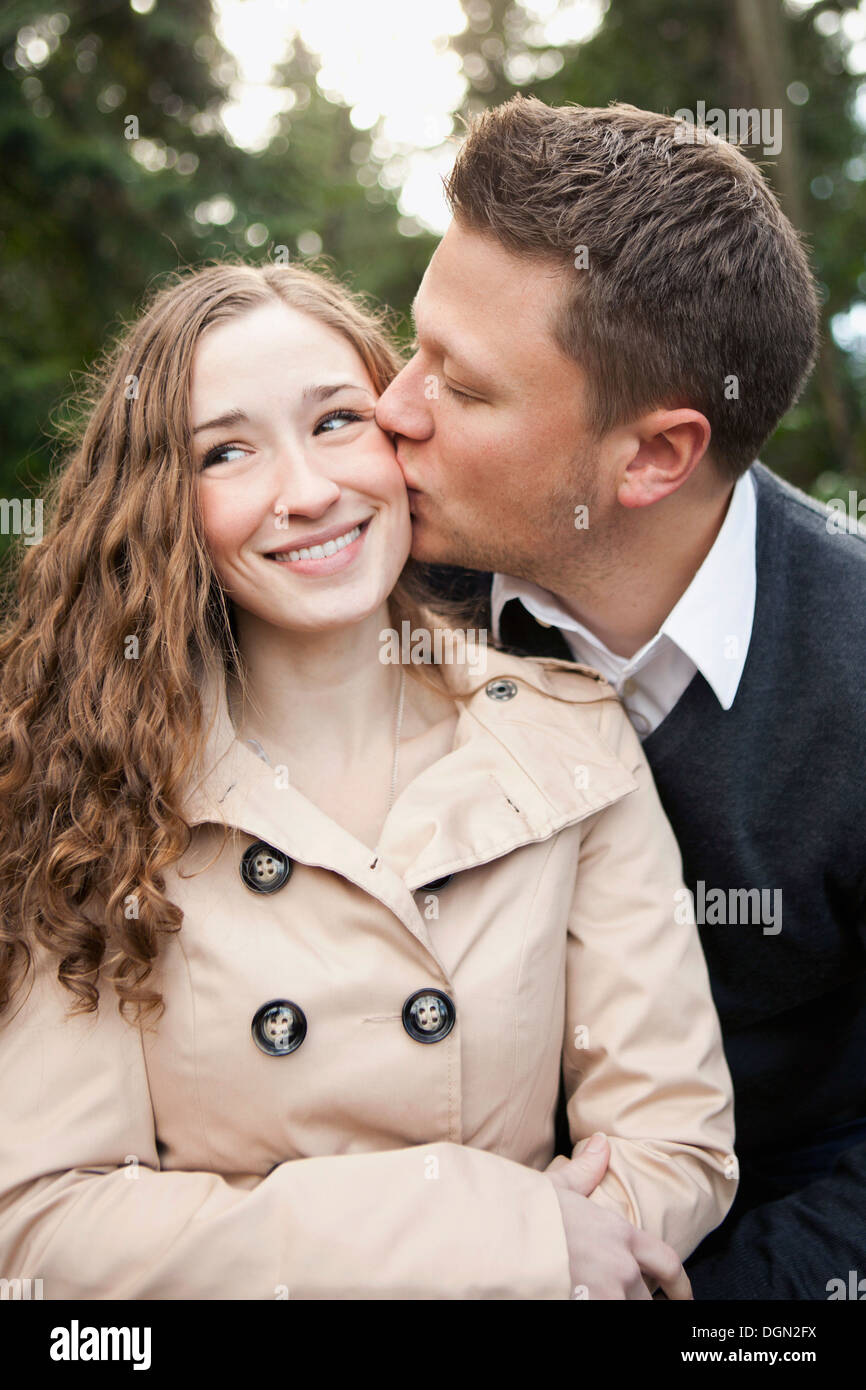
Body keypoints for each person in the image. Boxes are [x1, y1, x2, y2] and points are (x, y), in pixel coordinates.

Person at [0, 260, 735, 1300]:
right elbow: (46, 1221)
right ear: (164, 503)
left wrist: (571, 1258)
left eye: (336, 421)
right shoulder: (82, 780)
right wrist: (482, 1238)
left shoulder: (565, 734)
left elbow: (673, 1142)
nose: (305, 492)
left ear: (402, 435)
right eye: (226, 451)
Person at [374, 95, 865, 1300]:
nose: (391, 408)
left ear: (652, 456)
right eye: (412, 343)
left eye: (462, 388)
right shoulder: (357, 597)